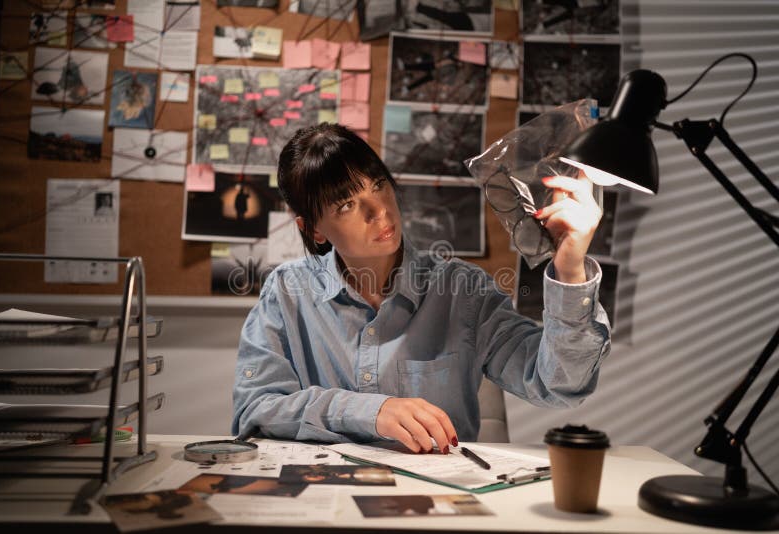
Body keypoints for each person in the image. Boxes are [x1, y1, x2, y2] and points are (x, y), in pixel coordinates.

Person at [232, 123, 611, 454]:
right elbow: (254, 411)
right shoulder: (287, 292)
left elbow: (560, 383)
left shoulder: (462, 292)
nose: (378, 210)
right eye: (347, 203)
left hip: (436, 504)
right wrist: (371, 411)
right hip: (323, 503)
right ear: (313, 229)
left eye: (378, 184)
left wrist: (570, 269)